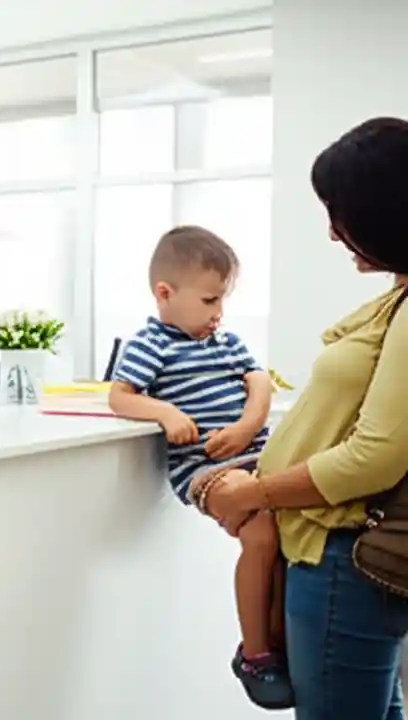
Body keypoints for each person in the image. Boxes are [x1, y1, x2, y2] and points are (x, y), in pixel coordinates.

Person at [202, 117, 408, 720]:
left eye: (339, 212)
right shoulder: (397, 295)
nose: (333, 232)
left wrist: (255, 492)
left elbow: (377, 454)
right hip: (333, 551)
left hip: (344, 555)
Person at [106, 225, 289, 708]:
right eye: (210, 300)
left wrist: (249, 427)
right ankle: (255, 654)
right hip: (204, 469)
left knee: (284, 537)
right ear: (165, 294)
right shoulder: (152, 344)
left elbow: (261, 384)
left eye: (222, 301)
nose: (218, 313)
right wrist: (165, 412)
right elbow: (120, 397)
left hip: (256, 456)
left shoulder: (225, 342)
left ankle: (274, 642)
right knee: (264, 533)